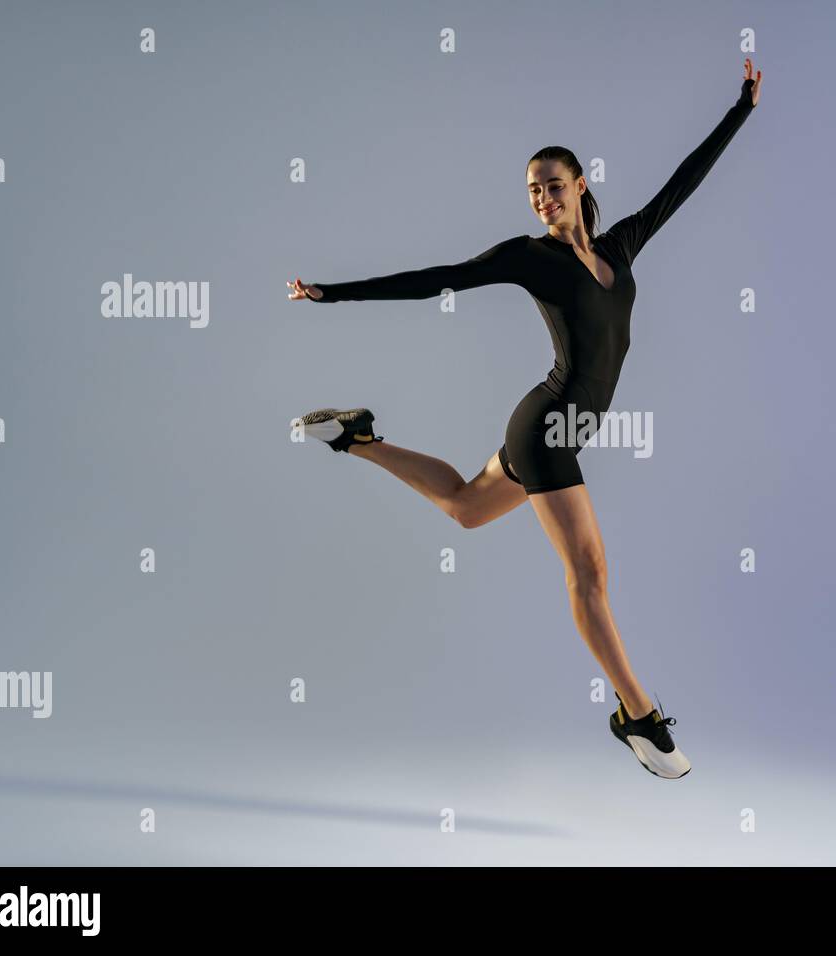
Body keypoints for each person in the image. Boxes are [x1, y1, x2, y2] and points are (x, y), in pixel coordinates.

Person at [287, 59, 762, 778]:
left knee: (465, 509)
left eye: (553, 185)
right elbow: (435, 280)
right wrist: (332, 294)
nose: (542, 198)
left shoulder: (620, 246)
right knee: (589, 574)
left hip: (557, 428)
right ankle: (638, 715)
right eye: (533, 190)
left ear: (580, 187)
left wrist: (742, 108)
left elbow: (683, 183)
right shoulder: (527, 258)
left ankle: (357, 438)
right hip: (547, 430)